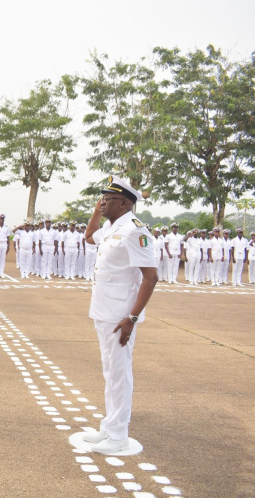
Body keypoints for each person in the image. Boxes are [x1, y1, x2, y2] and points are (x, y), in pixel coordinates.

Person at [82, 175, 157, 454]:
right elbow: (89, 237)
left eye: (108, 199)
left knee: (119, 372)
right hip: (103, 309)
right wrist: (96, 210)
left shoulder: (134, 231)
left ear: (124, 203)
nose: (103, 203)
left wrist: (133, 318)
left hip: (121, 315)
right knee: (109, 371)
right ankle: (109, 426)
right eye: (102, 198)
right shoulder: (113, 227)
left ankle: (118, 435)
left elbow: (150, 278)